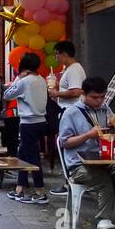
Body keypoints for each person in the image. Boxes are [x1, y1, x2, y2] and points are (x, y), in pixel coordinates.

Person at [57, 76, 115, 229]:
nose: (99, 101)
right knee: (106, 179)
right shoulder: (71, 113)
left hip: (104, 158)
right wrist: (88, 135)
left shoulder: (106, 109)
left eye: (102, 97)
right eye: (94, 97)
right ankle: (104, 220)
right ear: (83, 94)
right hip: (78, 165)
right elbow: (65, 142)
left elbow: (114, 133)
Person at [2, 53, 49, 204]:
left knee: (33, 157)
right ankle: (19, 188)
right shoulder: (41, 80)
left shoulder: (24, 81)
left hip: (28, 122)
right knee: (23, 154)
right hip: (41, 121)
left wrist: (17, 79)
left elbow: (7, 95)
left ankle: (40, 191)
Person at [47, 41, 85, 196]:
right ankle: (70, 180)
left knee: (68, 147)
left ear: (64, 54)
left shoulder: (74, 69)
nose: (56, 57)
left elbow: (76, 91)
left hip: (71, 112)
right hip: (67, 111)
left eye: (57, 54)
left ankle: (71, 181)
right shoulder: (69, 69)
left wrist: (57, 94)